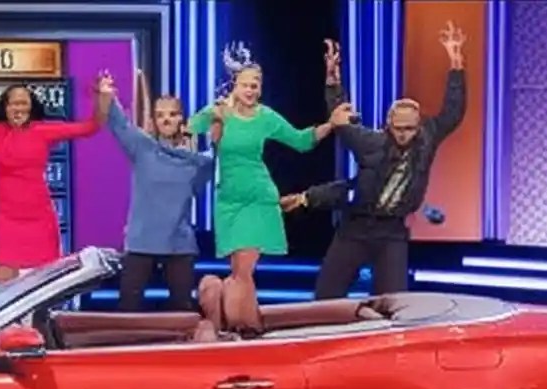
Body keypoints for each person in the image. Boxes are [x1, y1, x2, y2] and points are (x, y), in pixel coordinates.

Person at [282, 26, 467, 299]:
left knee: (393, 301)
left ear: (418, 127)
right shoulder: (371, 143)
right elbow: (341, 120)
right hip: (356, 228)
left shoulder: (428, 139)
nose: (403, 134)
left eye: (409, 129)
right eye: (398, 128)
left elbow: (453, 111)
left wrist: (456, 60)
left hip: (392, 232)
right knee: (326, 296)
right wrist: (333, 79)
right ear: (388, 125)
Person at [187, 42, 353, 332]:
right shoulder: (220, 112)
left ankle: (244, 329)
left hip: (259, 199)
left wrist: (331, 124)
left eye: (256, 85)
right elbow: (188, 128)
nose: (251, 90)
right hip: (228, 201)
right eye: (246, 85)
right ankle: (232, 318)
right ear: (234, 86)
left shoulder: (266, 117)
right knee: (239, 273)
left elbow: (301, 141)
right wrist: (212, 117)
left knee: (243, 271)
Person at [0, 77, 113, 283]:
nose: (19, 108)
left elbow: (91, 127)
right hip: (8, 218)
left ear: (31, 108)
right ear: (5, 107)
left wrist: (103, 98)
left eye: (24, 103)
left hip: (39, 217)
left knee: (47, 279)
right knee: (5, 281)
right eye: (14, 103)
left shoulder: (43, 131)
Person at [107, 70, 220, 311]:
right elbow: (119, 124)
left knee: (182, 309)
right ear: (154, 121)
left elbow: (221, 155)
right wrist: (108, 95)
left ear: (183, 119)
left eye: (172, 114)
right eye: (160, 115)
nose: (166, 120)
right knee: (127, 308)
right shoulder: (143, 148)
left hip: (179, 243)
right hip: (141, 241)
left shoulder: (199, 163)